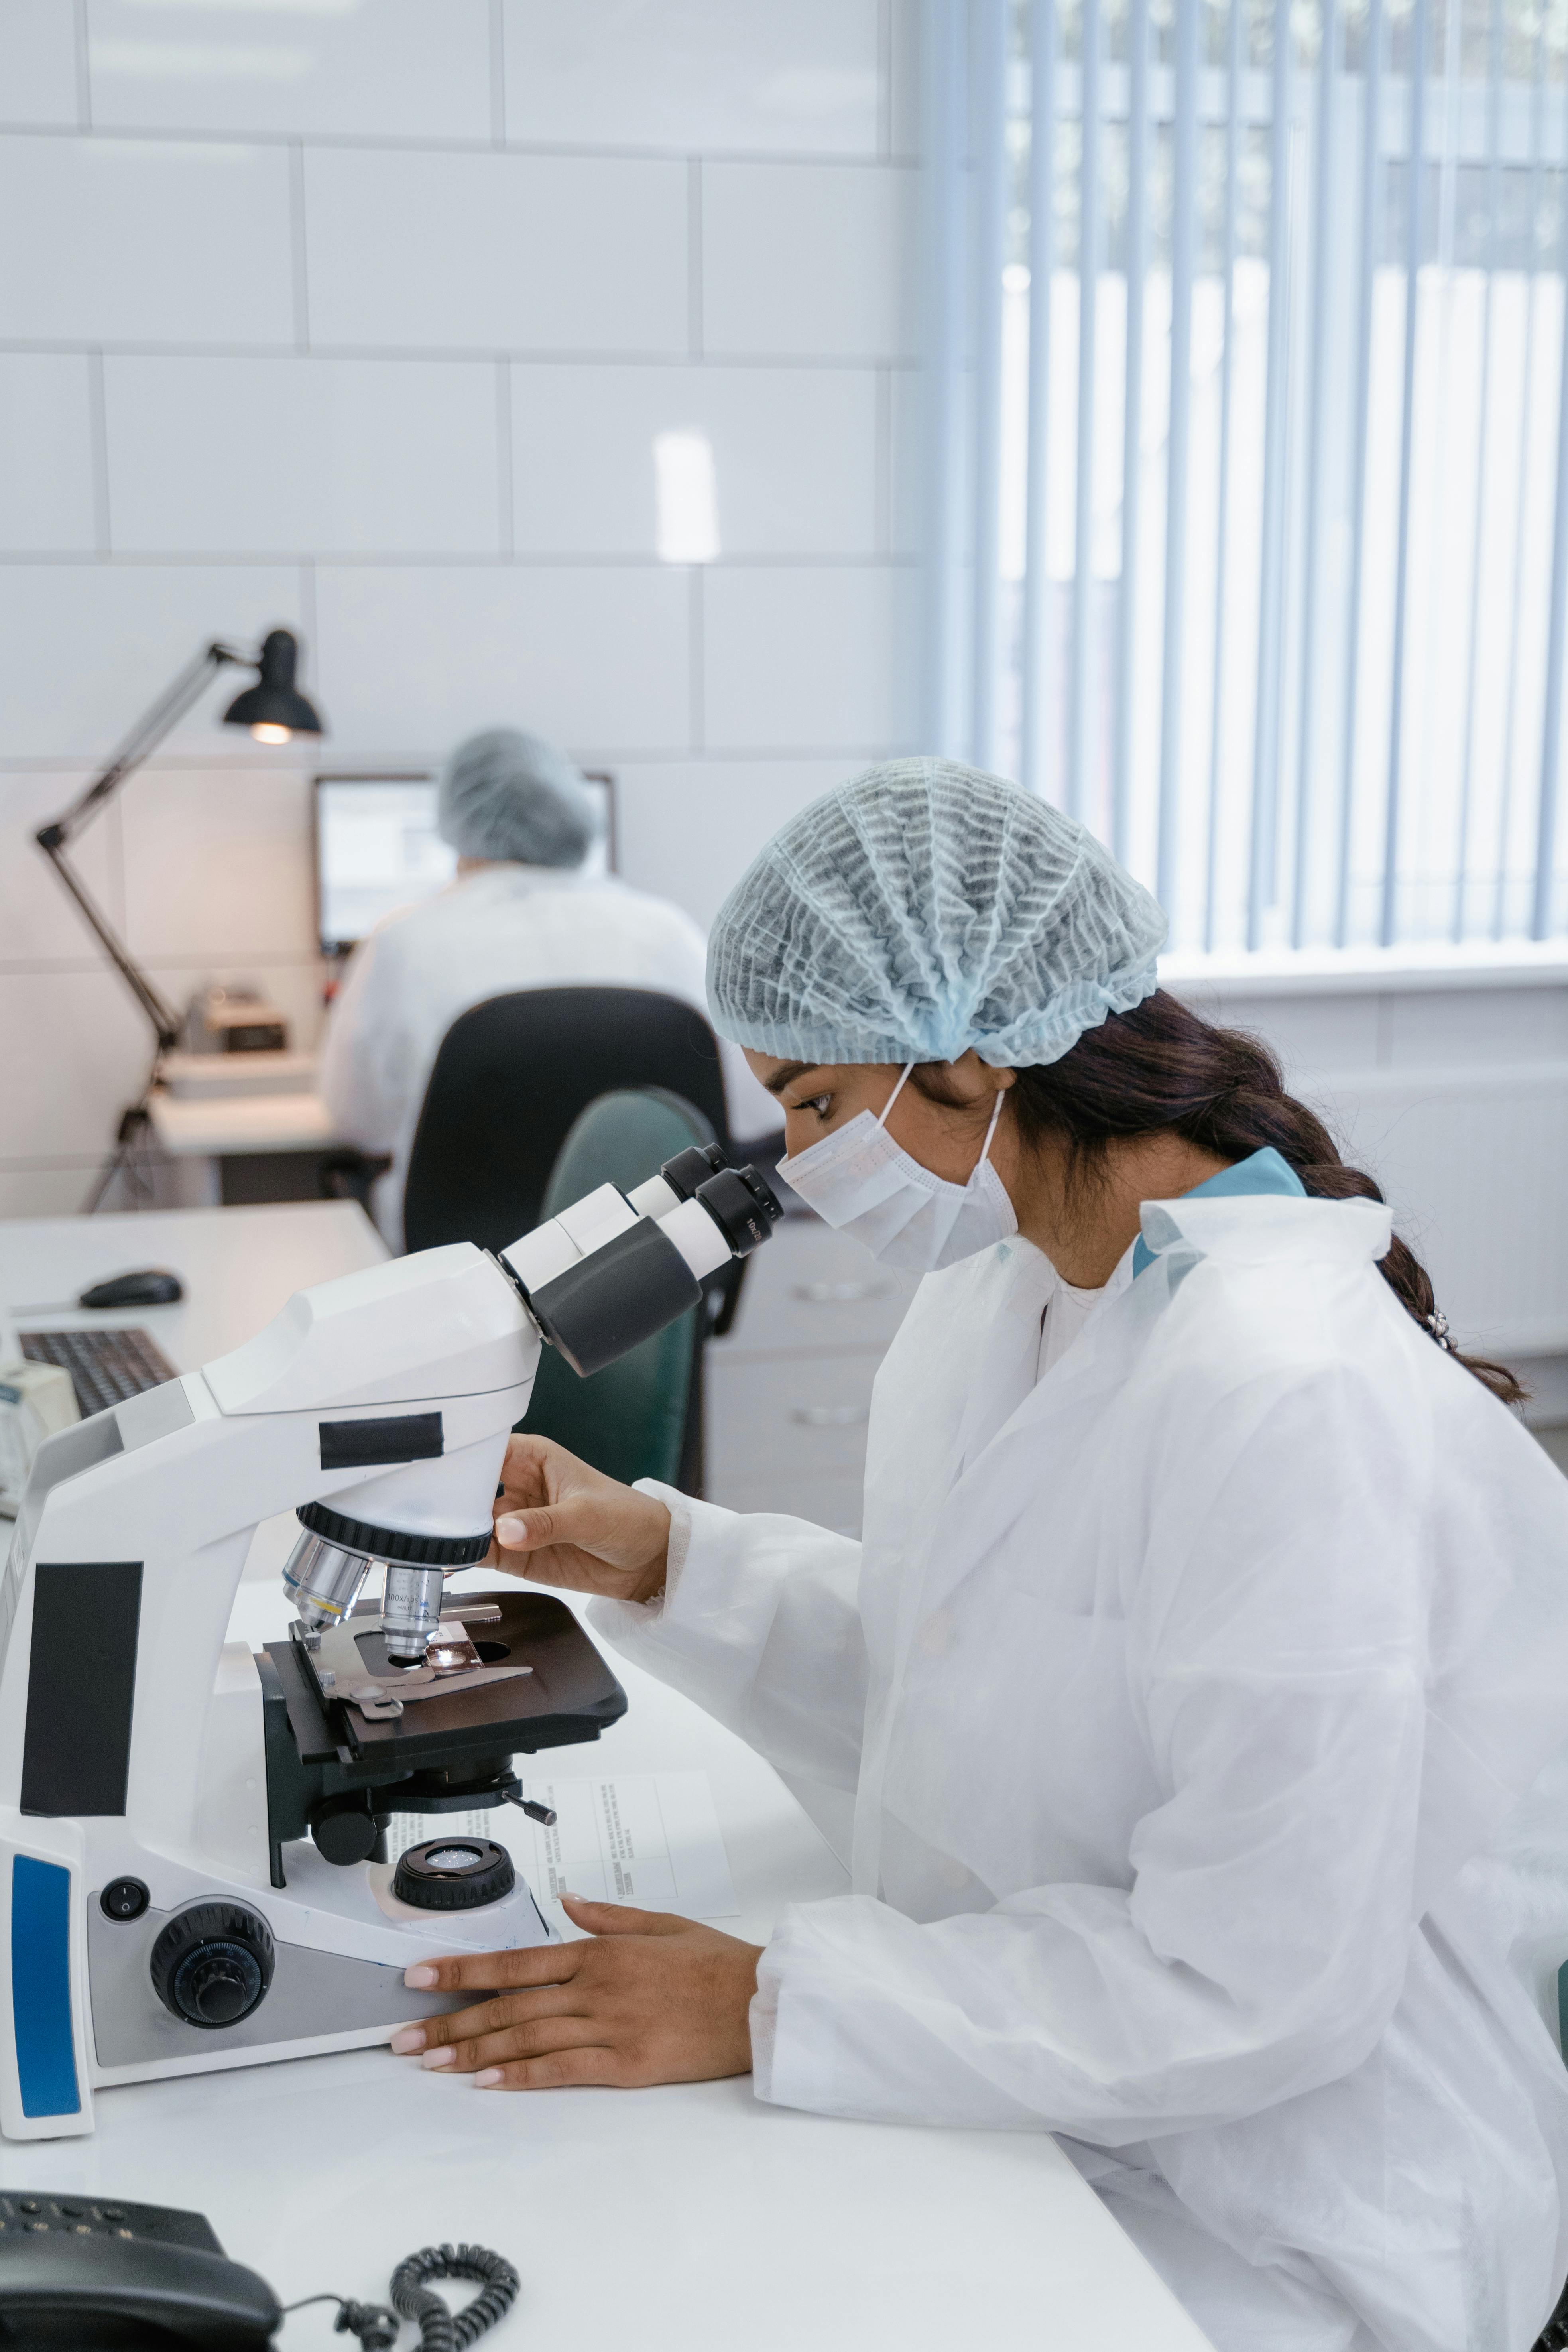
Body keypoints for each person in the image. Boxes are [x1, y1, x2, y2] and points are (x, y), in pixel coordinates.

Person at [388, 760, 1568, 2352]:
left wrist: (766, 2000)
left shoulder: (1286, 1393)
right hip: (1049, 2091)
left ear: (960, 1052)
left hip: (1285, 2217)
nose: (795, 1163)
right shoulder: (1000, 1296)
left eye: (811, 1100)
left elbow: (1257, 1987)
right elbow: (967, 1664)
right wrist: (669, 1553)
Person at [320, 726, 775, 1246]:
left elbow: (355, 1122)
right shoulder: (664, 930)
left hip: (462, 1271)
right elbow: (747, 1108)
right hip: (648, 1267)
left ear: (453, 821)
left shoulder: (403, 940)